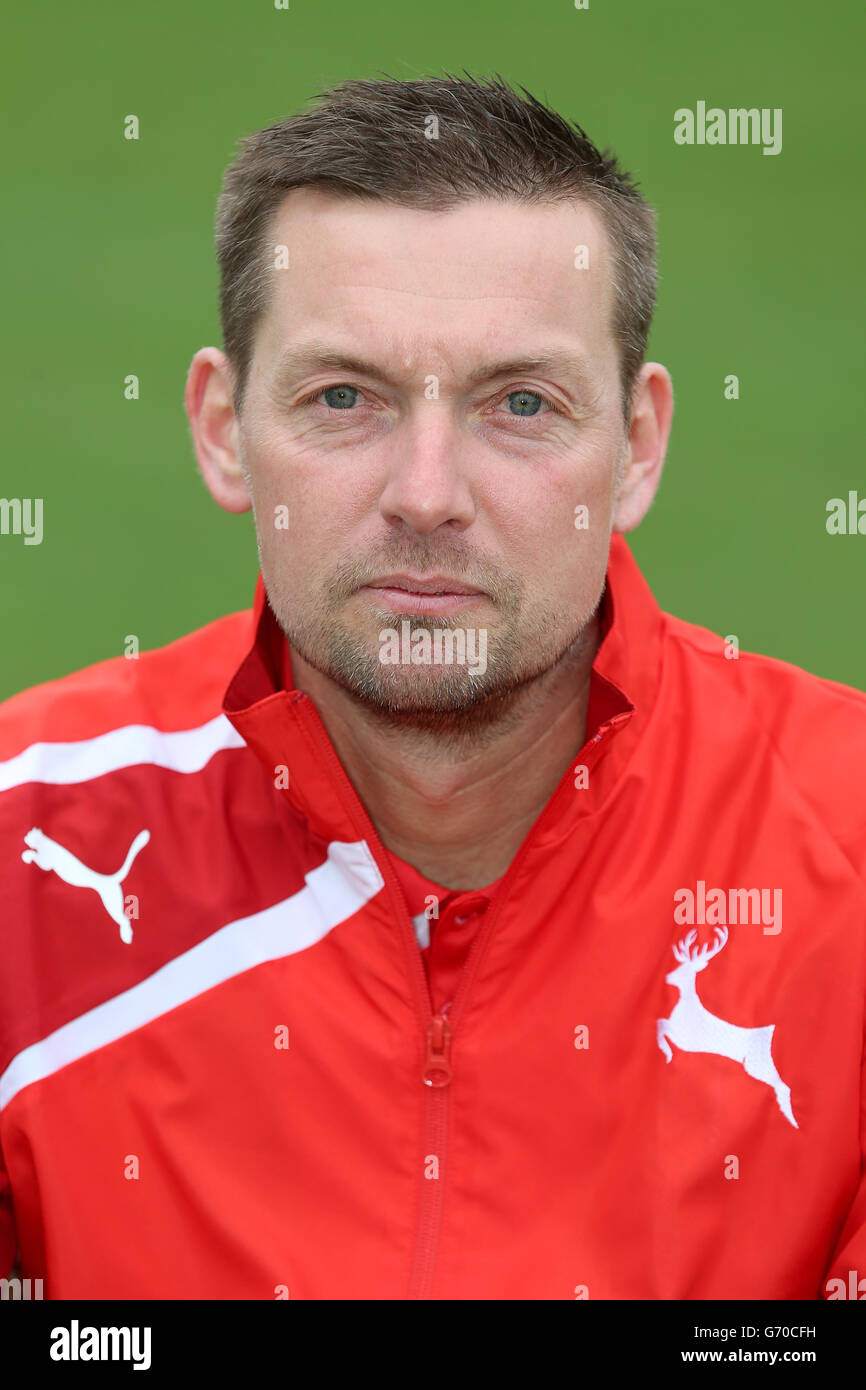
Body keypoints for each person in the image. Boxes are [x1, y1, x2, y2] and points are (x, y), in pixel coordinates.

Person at [1, 73, 863, 1301]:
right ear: (221, 427)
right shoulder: (22, 846)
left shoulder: (847, 847)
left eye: (520, 404)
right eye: (342, 397)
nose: (425, 490)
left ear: (636, 447)